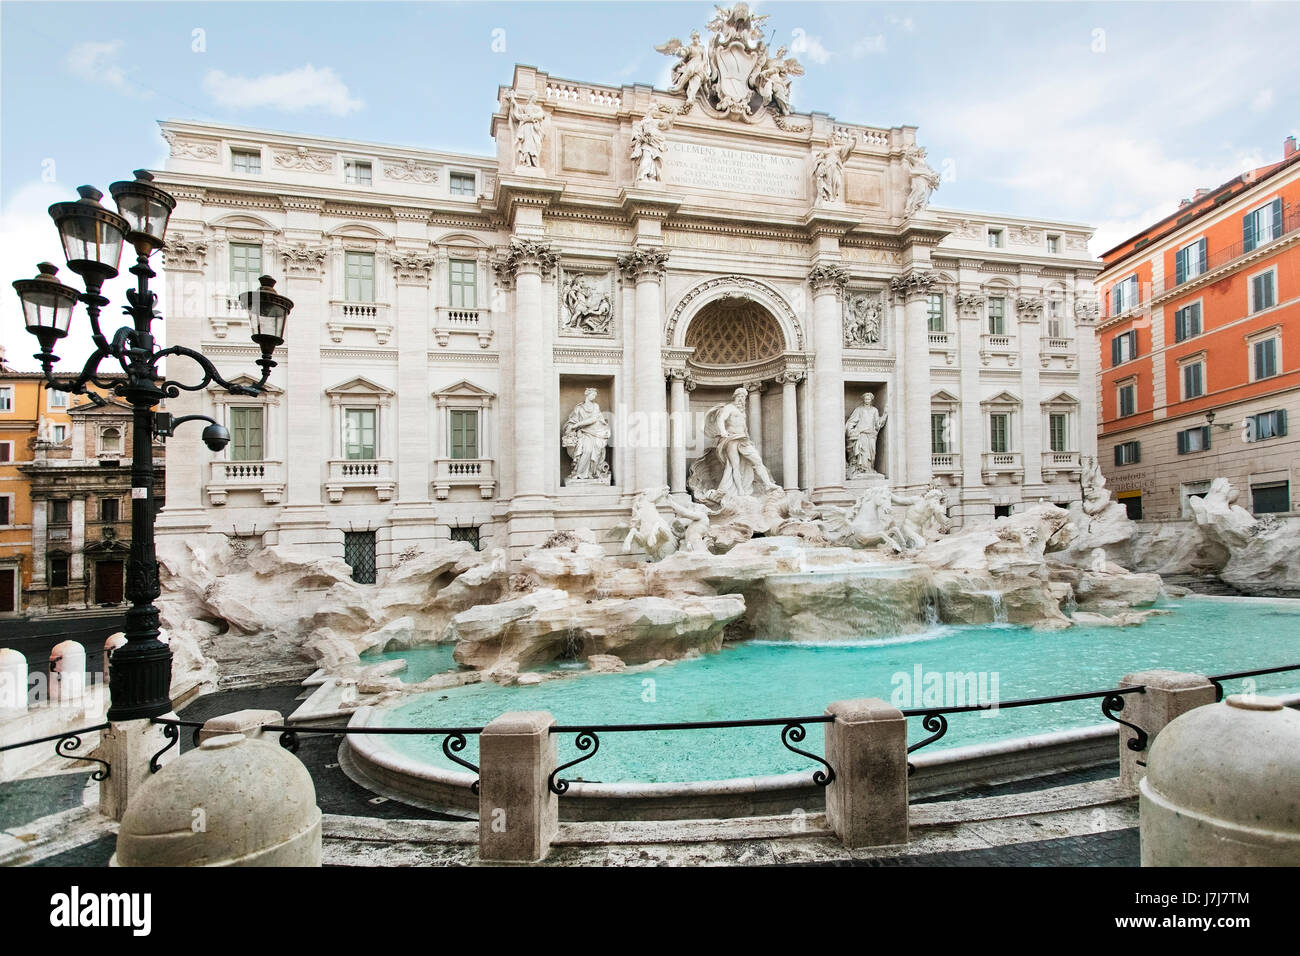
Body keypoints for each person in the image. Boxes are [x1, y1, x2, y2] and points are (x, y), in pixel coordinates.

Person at [562, 389, 611, 481]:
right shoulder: (579, 408)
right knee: (587, 451)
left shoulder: (595, 406)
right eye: (593, 395)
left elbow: (593, 419)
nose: (594, 397)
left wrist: (578, 425)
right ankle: (579, 473)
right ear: (587, 395)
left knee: (595, 452)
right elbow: (572, 420)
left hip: (594, 433)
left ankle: (591, 473)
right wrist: (573, 427)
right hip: (582, 433)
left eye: (595, 395)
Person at [845, 391, 887, 478]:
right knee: (863, 452)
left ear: (871, 400)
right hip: (862, 434)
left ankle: (870, 469)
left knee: (872, 453)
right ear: (863, 400)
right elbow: (851, 421)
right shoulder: (859, 410)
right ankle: (862, 470)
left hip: (871, 434)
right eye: (865, 399)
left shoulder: (874, 410)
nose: (867, 400)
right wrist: (851, 430)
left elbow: (877, 423)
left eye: (868, 399)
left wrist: (885, 414)